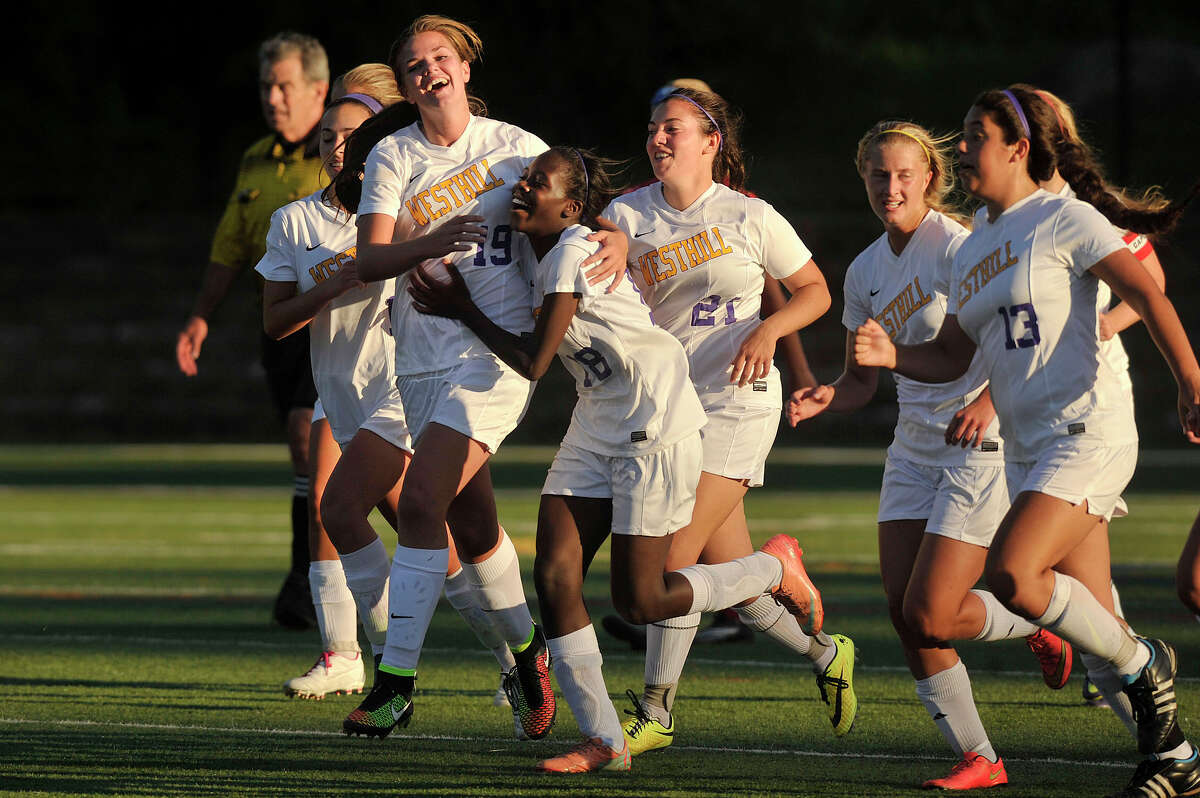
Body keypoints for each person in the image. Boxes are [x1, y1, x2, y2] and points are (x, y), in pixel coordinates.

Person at [409, 145, 830, 774]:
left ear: (571, 205)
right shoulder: (564, 238)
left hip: (654, 416)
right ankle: (606, 739)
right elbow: (618, 221)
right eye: (522, 179)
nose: (521, 189)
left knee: (642, 602)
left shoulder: (572, 251)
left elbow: (532, 362)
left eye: (537, 183)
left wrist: (460, 306)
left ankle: (767, 571)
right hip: (599, 412)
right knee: (554, 574)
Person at [853, 85, 1200, 798]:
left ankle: (1145, 663)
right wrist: (890, 359)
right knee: (1084, 619)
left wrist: (1192, 383)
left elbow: (1151, 292)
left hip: (1088, 431)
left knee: (1014, 575)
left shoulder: (1063, 217)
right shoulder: (975, 240)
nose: (965, 148)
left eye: (976, 136)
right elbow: (951, 355)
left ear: (1019, 148)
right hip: (1027, 451)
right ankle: (1177, 759)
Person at [317, 15, 629, 742]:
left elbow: (579, 202)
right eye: (417, 65)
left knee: (421, 501)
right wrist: (429, 242)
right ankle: (526, 653)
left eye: (441, 59)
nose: (431, 72)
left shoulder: (512, 146)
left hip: (489, 359)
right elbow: (370, 260)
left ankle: (395, 683)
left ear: (464, 67)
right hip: (417, 362)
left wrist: (619, 232)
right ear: (408, 83)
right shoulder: (395, 154)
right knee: (473, 522)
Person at [790, 120, 1074, 789]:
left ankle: (1043, 615)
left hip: (978, 443)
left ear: (931, 179)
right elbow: (865, 379)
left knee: (933, 613)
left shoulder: (961, 248)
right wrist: (828, 396)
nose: (891, 187)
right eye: (878, 175)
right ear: (863, 178)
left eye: (904, 174)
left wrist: (990, 401)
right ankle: (982, 757)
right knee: (901, 607)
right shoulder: (864, 270)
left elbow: (1012, 337)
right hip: (914, 449)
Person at [601, 87, 855, 755]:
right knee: (733, 581)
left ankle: (657, 709)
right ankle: (822, 647)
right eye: (653, 126)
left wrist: (769, 331)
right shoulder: (624, 216)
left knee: (669, 564)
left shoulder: (749, 215)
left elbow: (815, 291)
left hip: (739, 400)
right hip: (668, 408)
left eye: (674, 128)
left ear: (712, 141)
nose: (659, 137)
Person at [254, 68, 517, 708]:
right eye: (328, 138)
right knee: (440, 544)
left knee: (338, 509)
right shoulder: (295, 223)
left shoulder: (403, 213)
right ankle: (516, 659)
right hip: (341, 396)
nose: (338, 148)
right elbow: (274, 322)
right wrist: (331, 286)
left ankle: (383, 668)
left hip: (404, 392)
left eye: (353, 136)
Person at [1019, 85, 1177, 712]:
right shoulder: (997, 216)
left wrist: (1106, 325)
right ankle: (1132, 676)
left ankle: (1122, 660)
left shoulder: (1084, 209)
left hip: (1084, 410)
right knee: (1056, 574)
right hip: (1029, 411)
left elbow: (1152, 286)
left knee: (1021, 568)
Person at [175, 32, 330, 630]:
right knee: (307, 458)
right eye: (267, 85)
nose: (273, 97)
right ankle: (316, 575)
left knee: (308, 442)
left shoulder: (346, 155)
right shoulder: (255, 159)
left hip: (333, 326)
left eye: (284, 85)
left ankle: (311, 580)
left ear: (318, 89)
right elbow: (230, 245)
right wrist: (201, 315)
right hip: (280, 326)